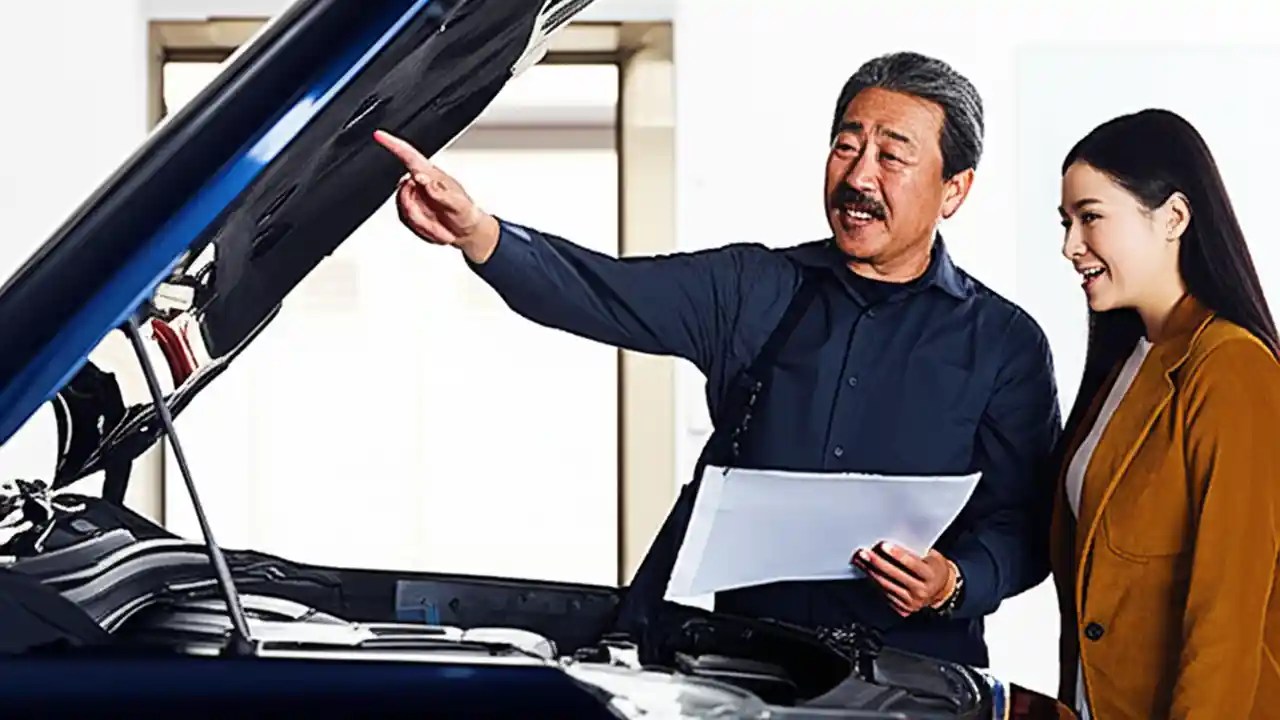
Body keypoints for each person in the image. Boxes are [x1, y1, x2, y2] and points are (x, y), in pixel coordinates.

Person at [374, 51, 1061, 668]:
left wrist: (956, 580)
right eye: (846, 146)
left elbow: (1028, 523)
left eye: (891, 156)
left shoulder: (1004, 342)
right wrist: (480, 232)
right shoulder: (752, 289)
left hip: (916, 682)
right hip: (739, 671)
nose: (858, 176)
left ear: (954, 189)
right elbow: (601, 292)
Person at [1051, 108, 1280, 719]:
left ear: (1174, 217)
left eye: (1090, 217)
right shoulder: (1127, 363)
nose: (1071, 245)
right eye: (1067, 221)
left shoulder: (1232, 368)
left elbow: (1227, 621)